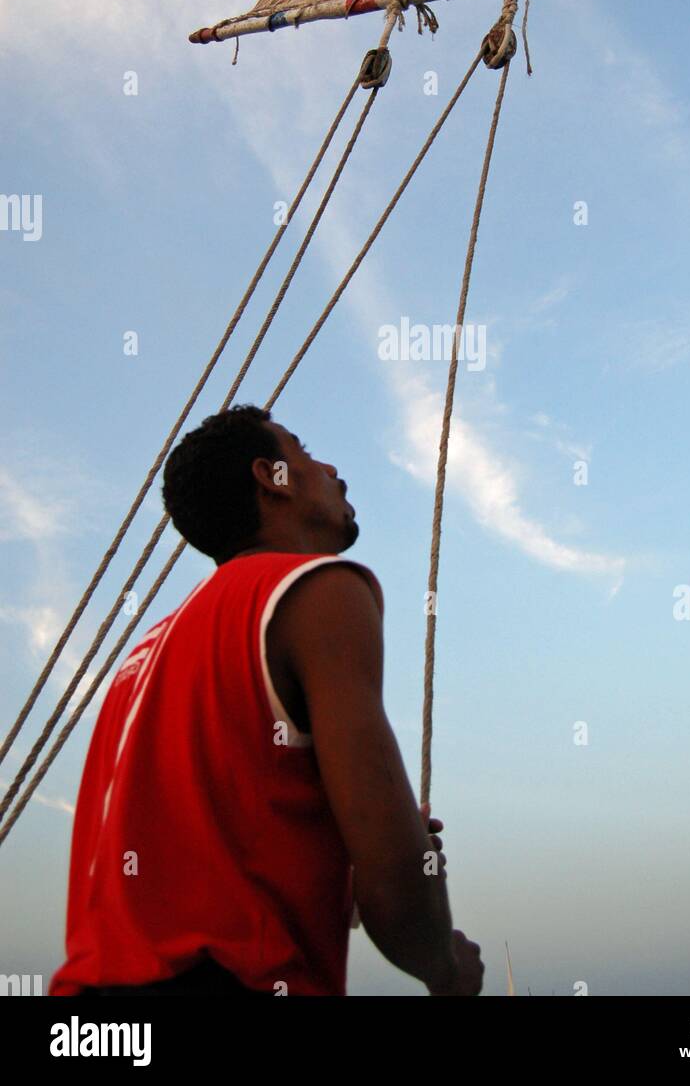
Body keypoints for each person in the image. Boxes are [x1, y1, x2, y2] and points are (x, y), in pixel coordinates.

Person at [49, 404, 483, 996]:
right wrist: (446, 968)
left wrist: (332, 866)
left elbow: (197, 855)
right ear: (269, 477)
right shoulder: (322, 593)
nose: (333, 469)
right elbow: (397, 888)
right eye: (304, 453)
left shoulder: (140, 660)